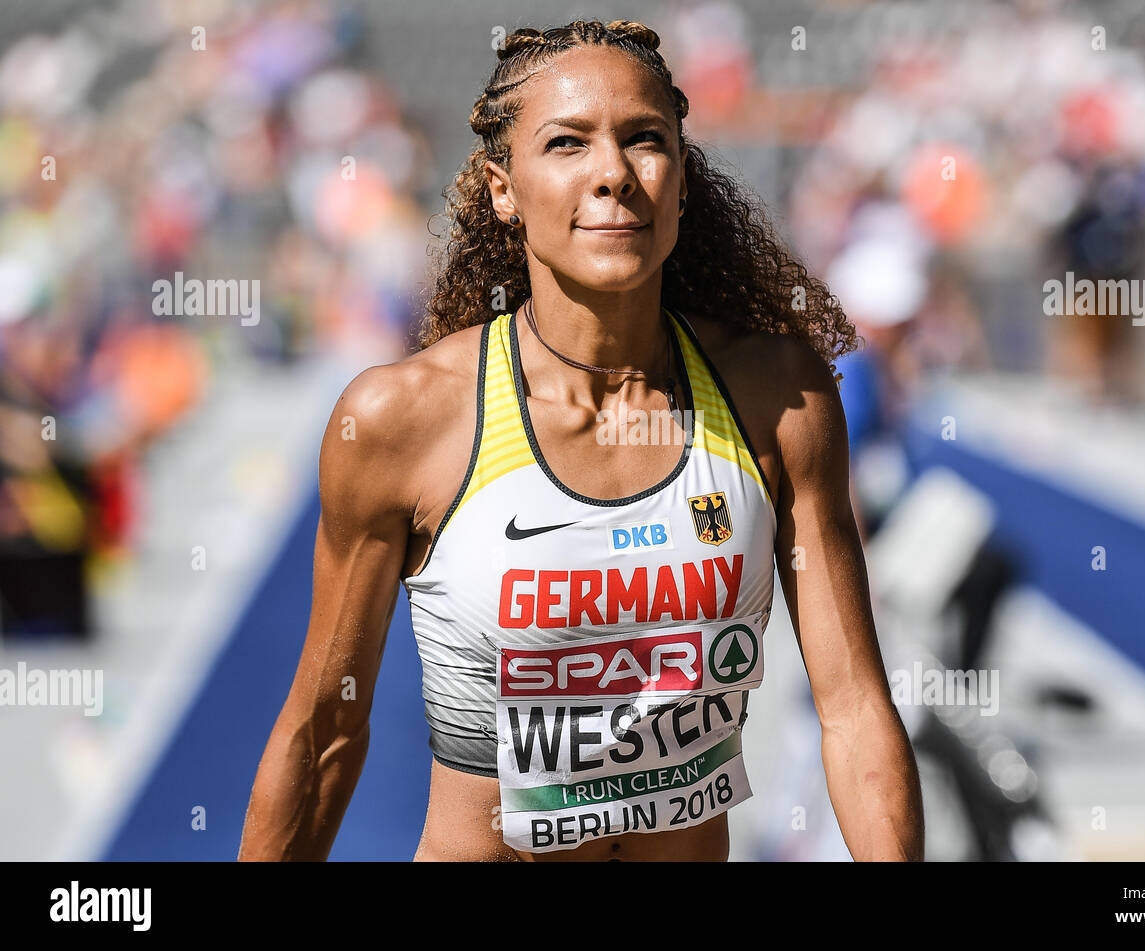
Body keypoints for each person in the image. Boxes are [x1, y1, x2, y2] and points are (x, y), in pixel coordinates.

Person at [238, 19, 922, 862]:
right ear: (502, 189)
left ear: (680, 183)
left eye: (644, 141)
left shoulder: (780, 399)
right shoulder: (400, 421)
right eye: (566, 144)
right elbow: (325, 730)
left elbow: (854, 707)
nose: (612, 175)